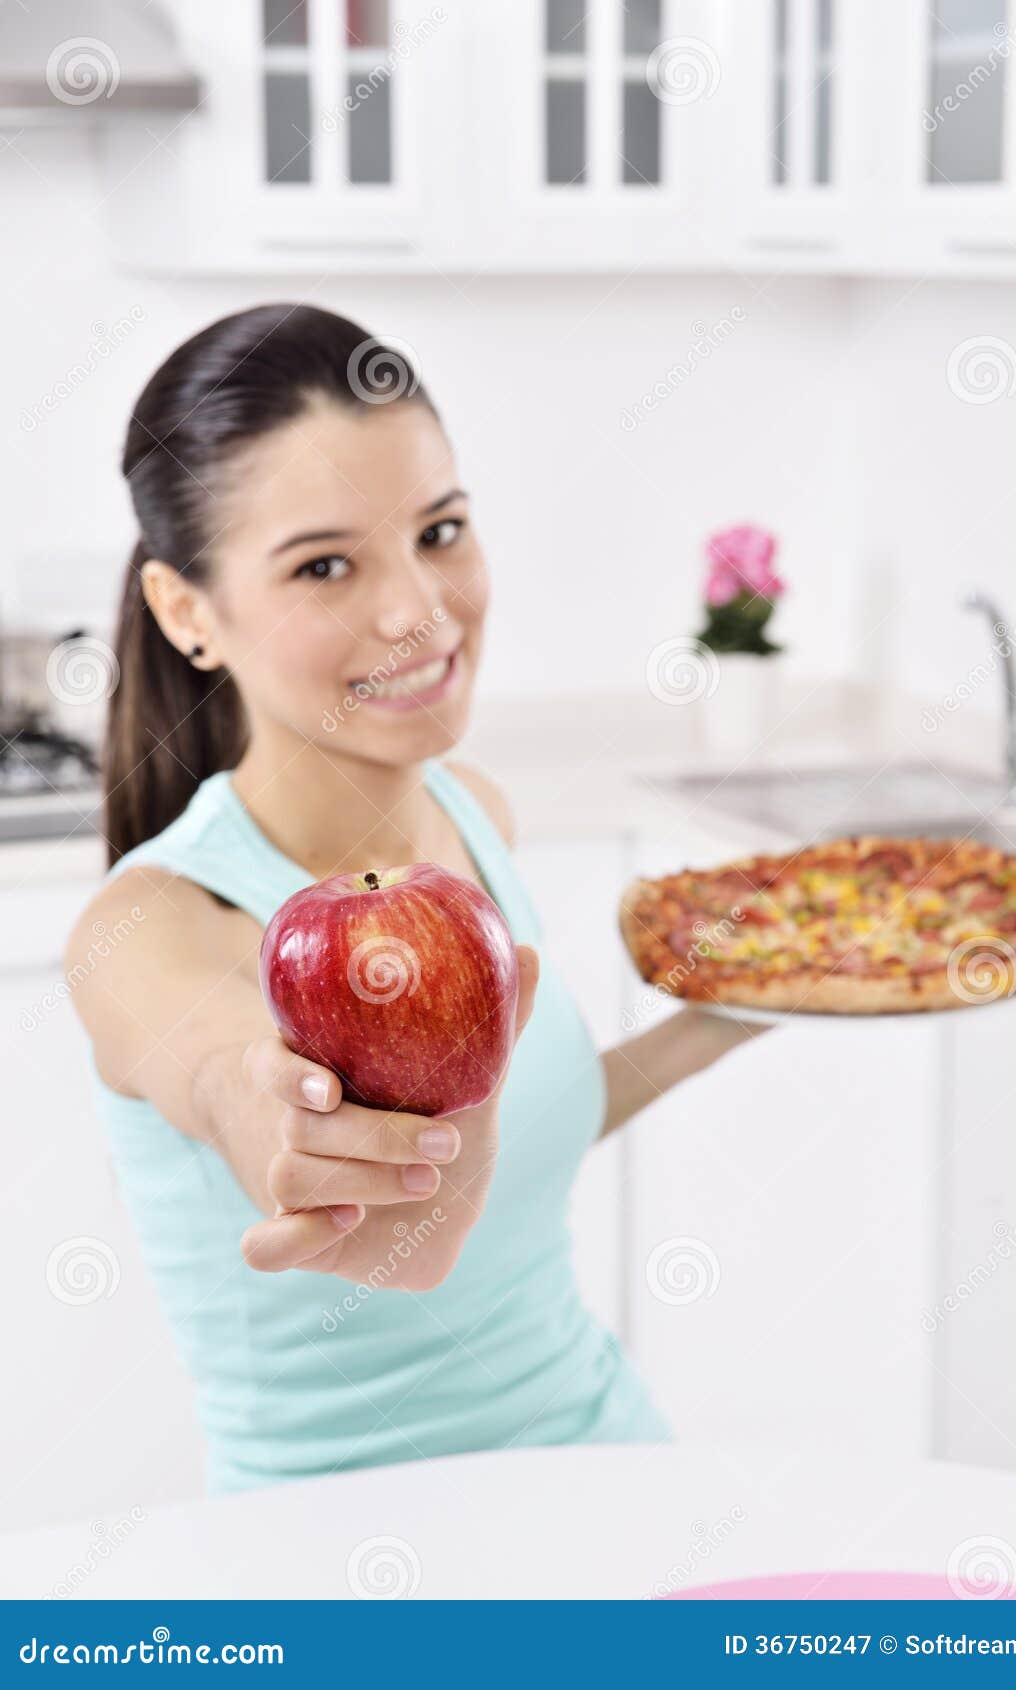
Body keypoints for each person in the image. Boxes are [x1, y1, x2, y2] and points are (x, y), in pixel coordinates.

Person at [68, 304, 763, 1493]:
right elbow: (246, 1094)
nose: (420, 611)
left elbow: (523, 1118)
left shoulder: (471, 813)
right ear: (189, 611)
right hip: (341, 1571)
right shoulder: (157, 927)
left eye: (439, 531)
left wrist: (742, 1009)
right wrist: (285, 1125)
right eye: (325, 564)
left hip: (616, 1478)